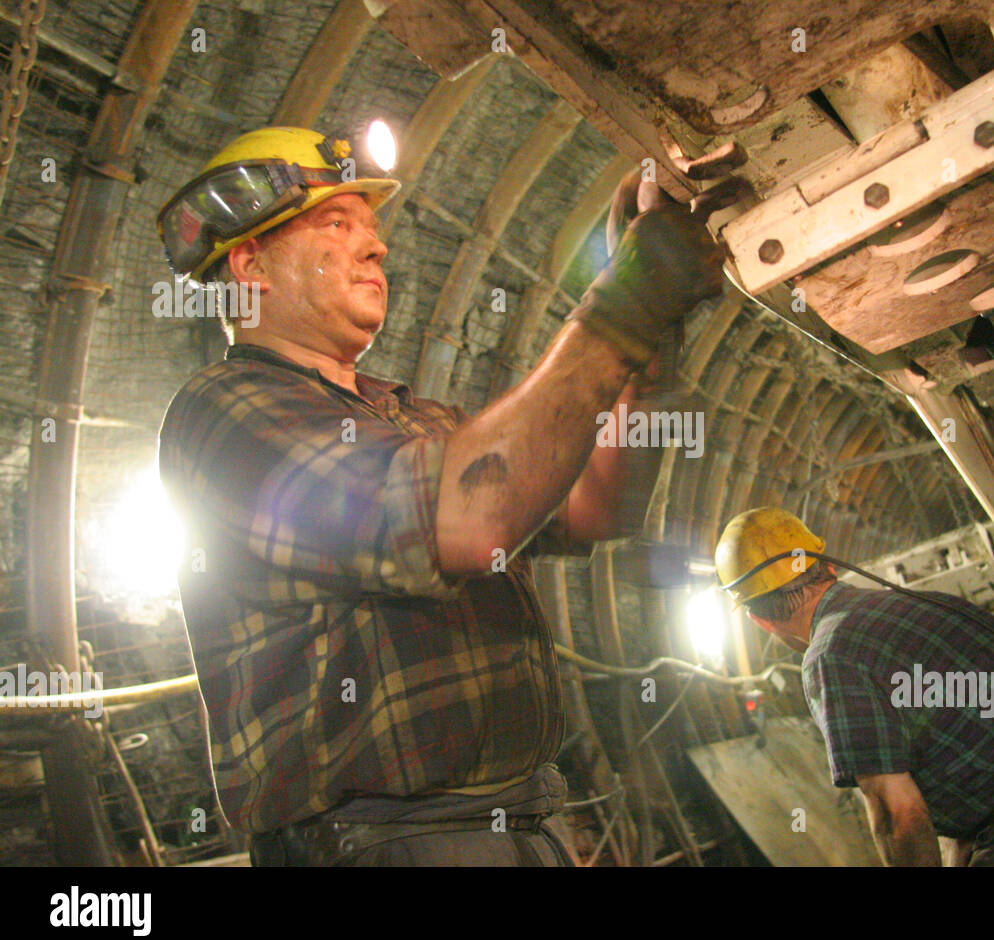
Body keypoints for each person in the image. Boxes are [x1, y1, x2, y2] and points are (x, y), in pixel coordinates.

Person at [156, 125, 741, 865]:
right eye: (338, 224)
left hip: (525, 817)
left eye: (373, 227)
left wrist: (646, 359)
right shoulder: (225, 412)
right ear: (250, 266)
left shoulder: (417, 420)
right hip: (387, 842)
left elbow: (599, 509)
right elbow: (473, 521)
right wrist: (629, 295)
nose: (377, 247)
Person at [714, 507, 994, 866]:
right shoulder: (933, 603)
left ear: (759, 620)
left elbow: (897, 814)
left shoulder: (829, 657)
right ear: (828, 567)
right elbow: (985, 747)